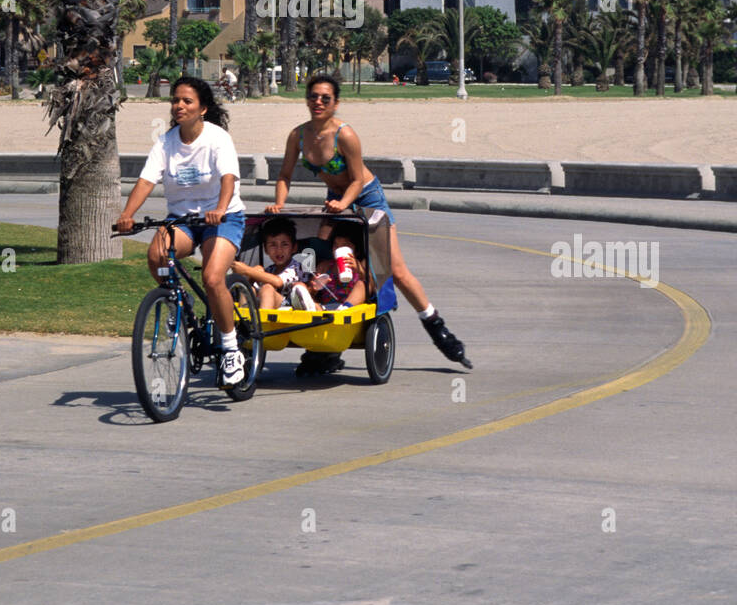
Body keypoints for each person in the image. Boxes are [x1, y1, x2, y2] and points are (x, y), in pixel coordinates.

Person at [267, 73, 472, 368]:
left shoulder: (345, 135)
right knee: (322, 257)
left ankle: (437, 327)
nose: (318, 102)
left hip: (366, 197)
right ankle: (328, 337)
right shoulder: (297, 135)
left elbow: (357, 180)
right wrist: (279, 203)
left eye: (326, 98)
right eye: (313, 96)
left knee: (394, 270)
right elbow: (284, 175)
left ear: (336, 103)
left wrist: (343, 204)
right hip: (336, 200)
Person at [116, 76, 247, 387]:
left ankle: (231, 349)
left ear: (202, 108)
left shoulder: (217, 138)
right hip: (183, 220)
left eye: (187, 101)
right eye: (175, 100)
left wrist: (220, 208)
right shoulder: (166, 142)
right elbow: (146, 181)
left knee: (213, 278)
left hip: (223, 217)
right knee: (156, 256)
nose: (179, 106)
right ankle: (178, 298)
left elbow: (228, 178)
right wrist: (127, 215)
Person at [230, 216, 315, 311]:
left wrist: (247, 270)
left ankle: (264, 320)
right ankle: (244, 318)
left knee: (267, 288)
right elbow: (257, 284)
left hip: (293, 308)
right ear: (266, 249)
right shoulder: (270, 270)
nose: (279, 250)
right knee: (253, 283)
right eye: (273, 245)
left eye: (284, 244)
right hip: (277, 307)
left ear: (294, 248)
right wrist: (252, 277)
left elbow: (278, 282)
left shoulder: (296, 267)